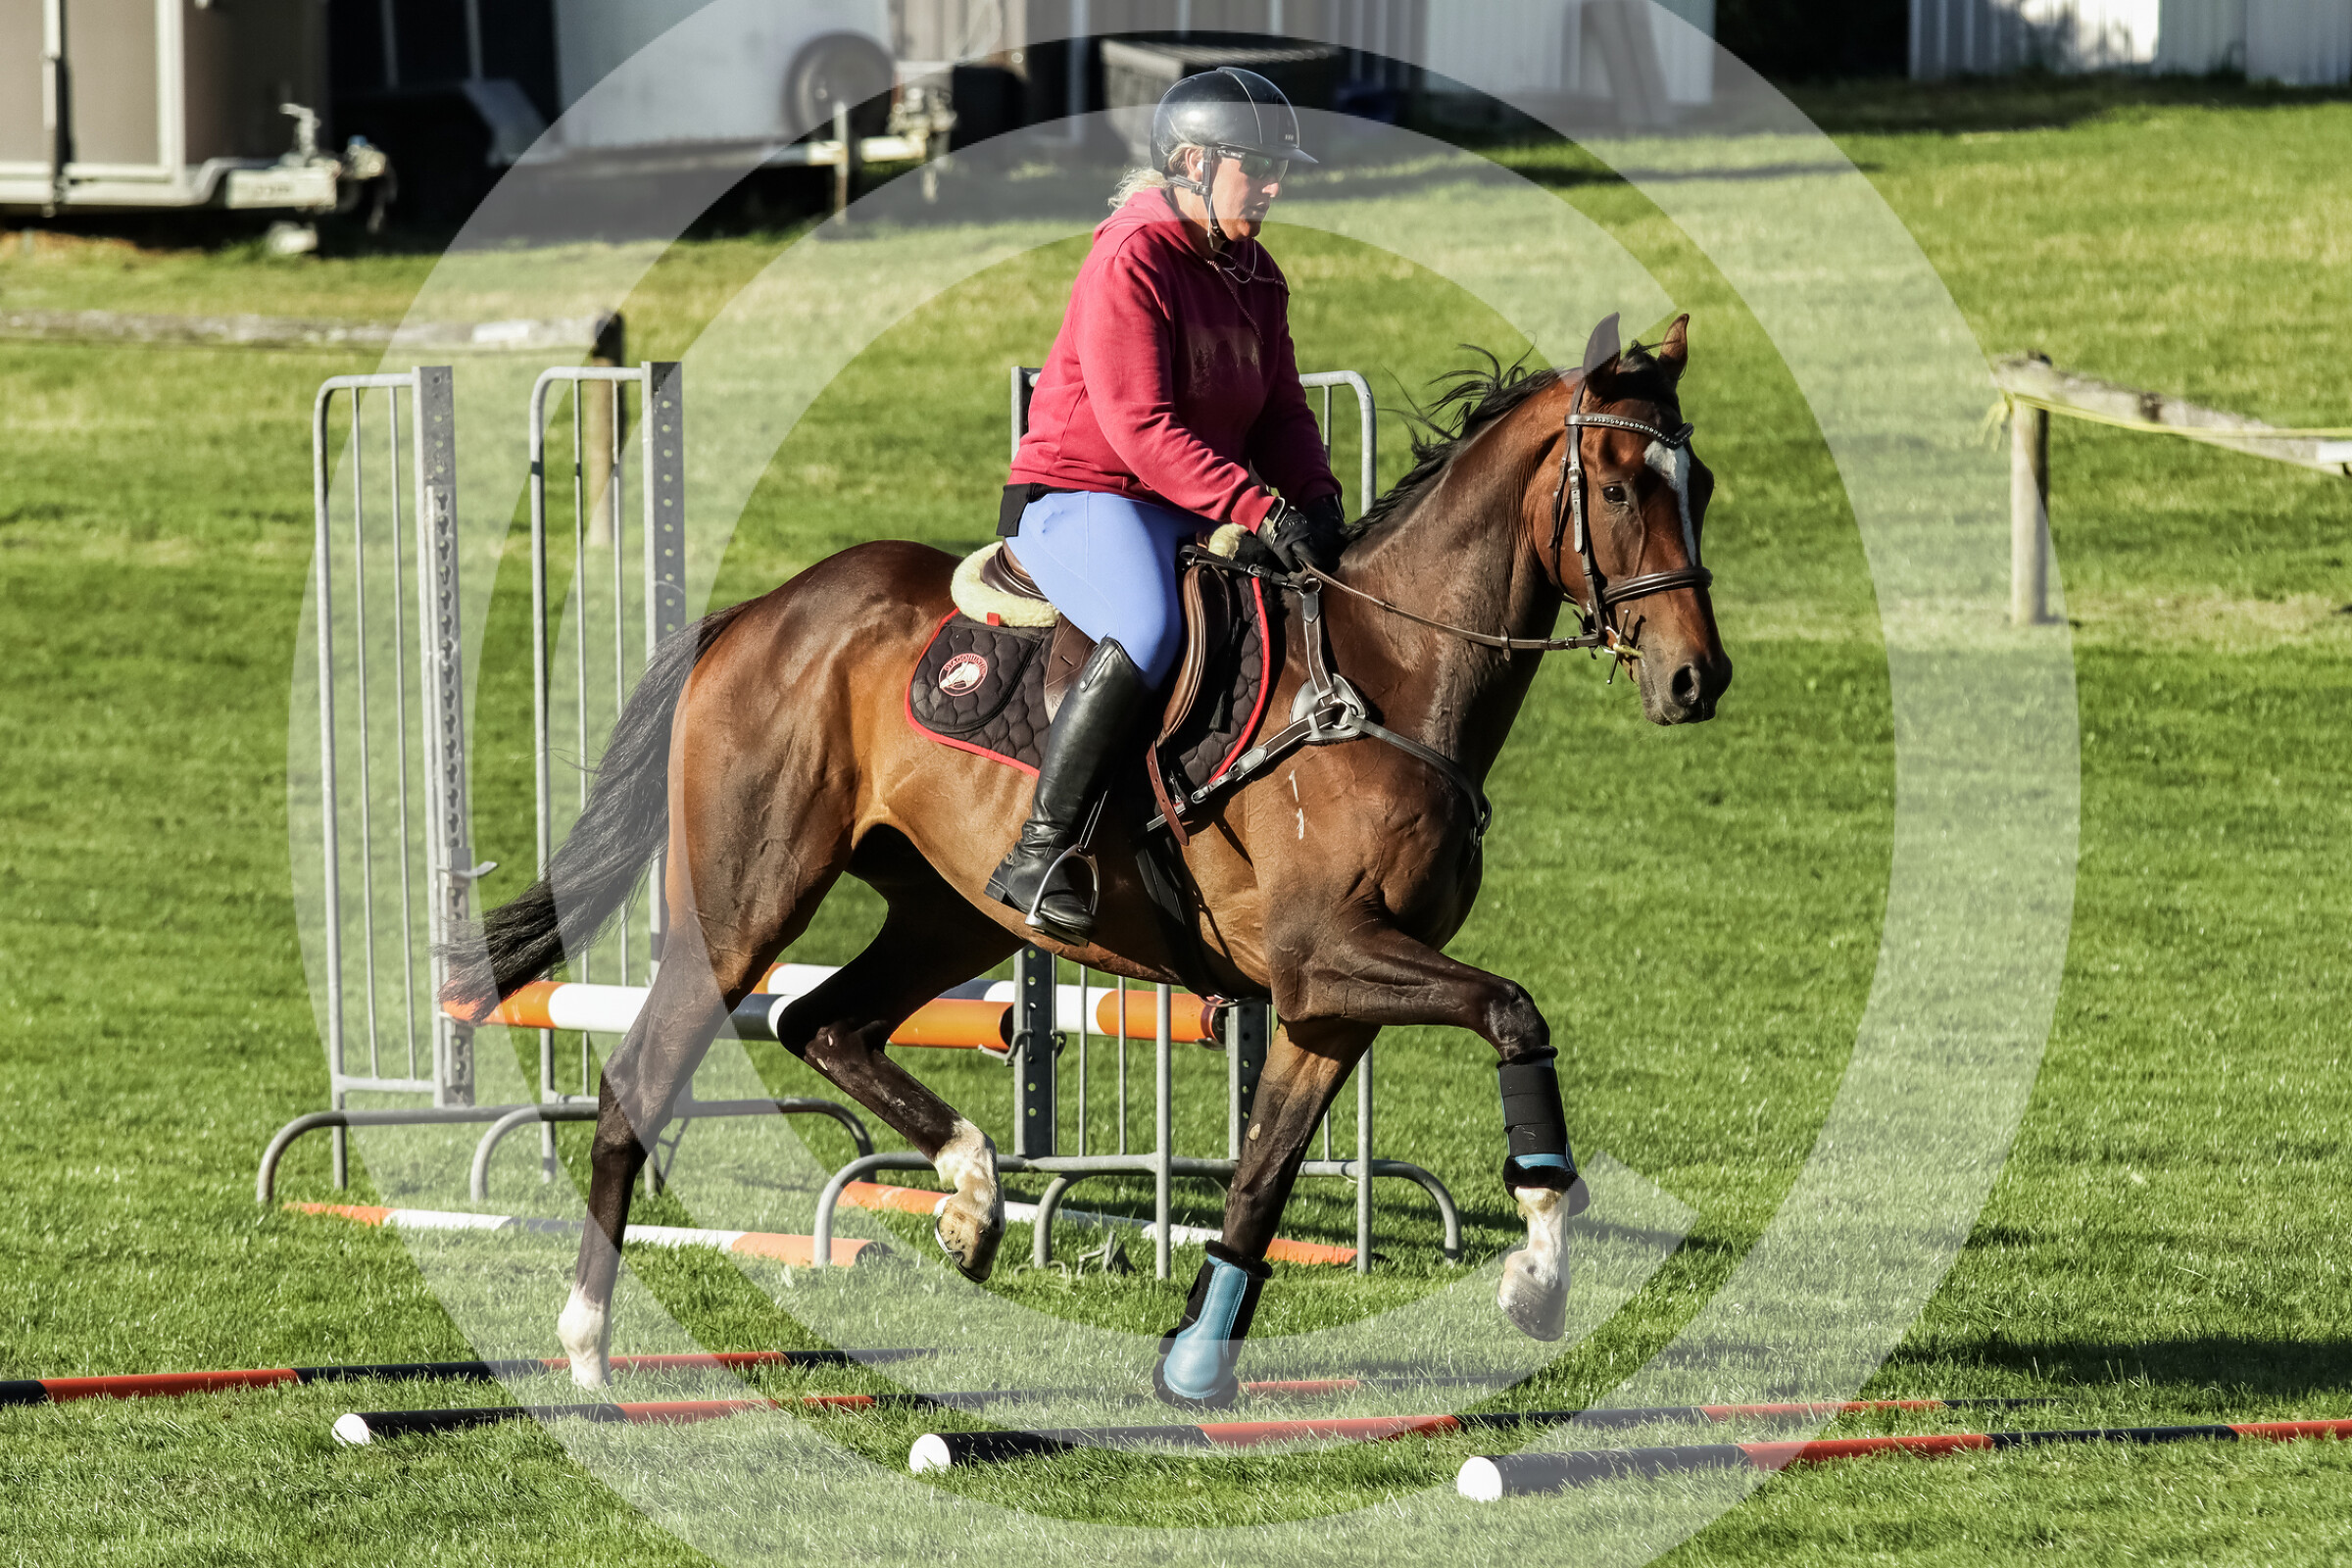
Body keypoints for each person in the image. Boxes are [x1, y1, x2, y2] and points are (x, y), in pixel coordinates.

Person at [986, 68, 1348, 945]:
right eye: (1255, 167)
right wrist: (1260, 510)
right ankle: (1041, 852)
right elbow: (1140, 427)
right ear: (1192, 161)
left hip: (1183, 506)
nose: (1270, 186)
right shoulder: (1131, 254)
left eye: (1277, 170)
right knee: (1149, 628)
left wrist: (1320, 503)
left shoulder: (1258, 274)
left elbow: (1283, 414)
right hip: (1081, 497)